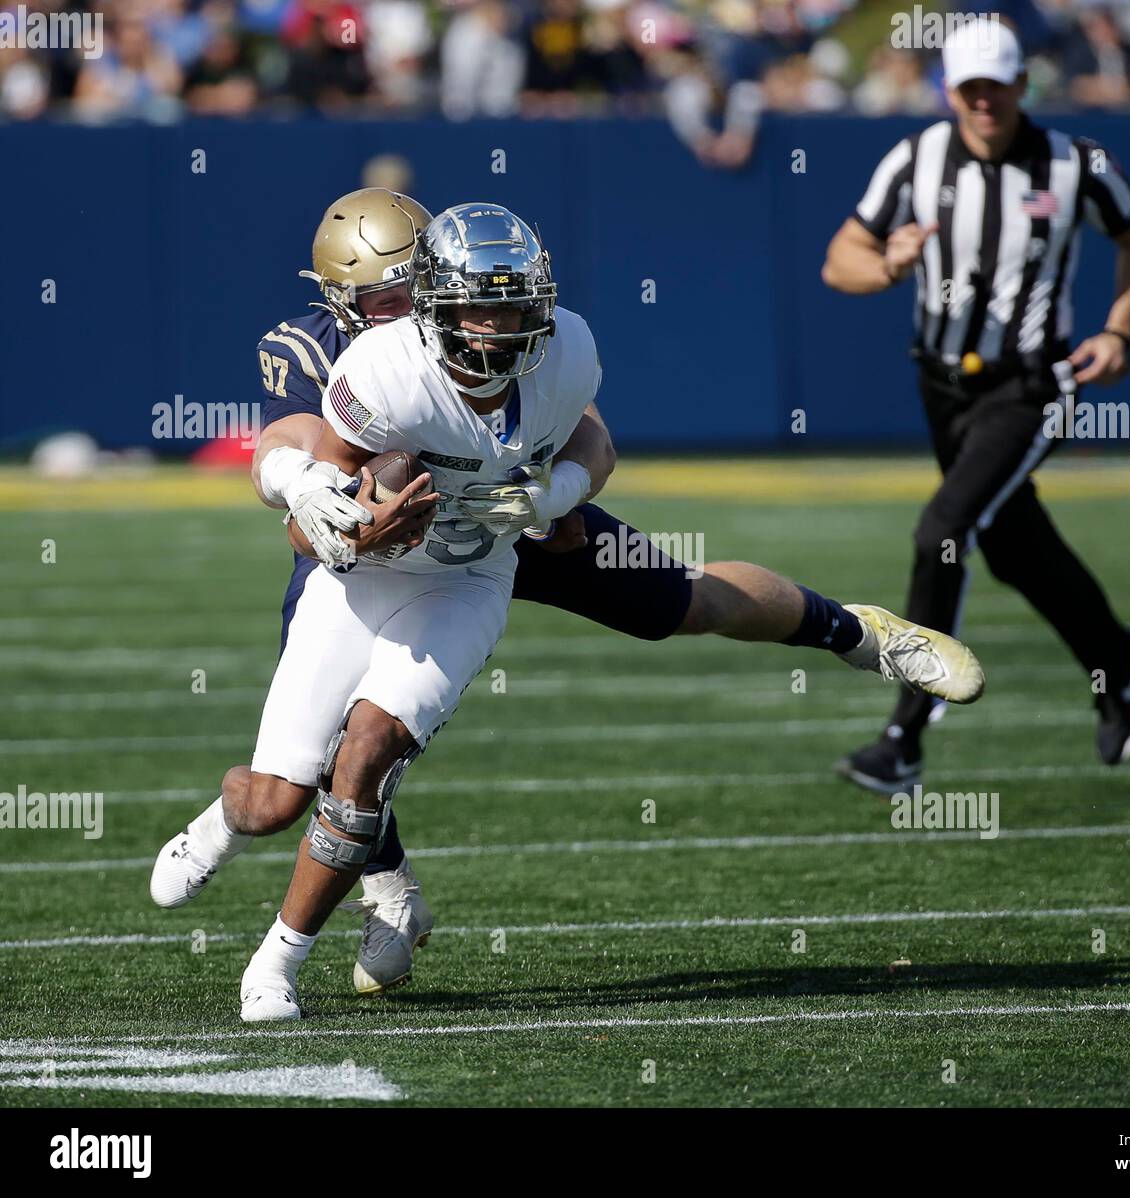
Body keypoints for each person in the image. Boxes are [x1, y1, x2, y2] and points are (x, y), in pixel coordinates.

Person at [151, 191, 985, 1013]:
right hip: (374, 548)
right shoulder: (342, 360)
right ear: (344, 301)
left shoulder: (535, 340)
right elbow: (291, 452)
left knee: (678, 601)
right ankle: (386, 888)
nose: (409, 309)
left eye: (420, 288)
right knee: (302, 770)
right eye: (386, 297)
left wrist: (557, 497)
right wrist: (328, 510)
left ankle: (860, 633)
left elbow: (588, 432)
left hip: (501, 525)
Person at [821, 20, 1130, 794]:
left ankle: (903, 736)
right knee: (1013, 546)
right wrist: (887, 264)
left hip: (1033, 385)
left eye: (996, 86)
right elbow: (840, 259)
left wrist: (1119, 330)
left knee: (942, 529)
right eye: (969, 88)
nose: (983, 102)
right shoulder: (916, 158)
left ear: (1021, 85)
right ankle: (1117, 656)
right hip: (942, 384)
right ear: (949, 89)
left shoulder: (1076, 163)